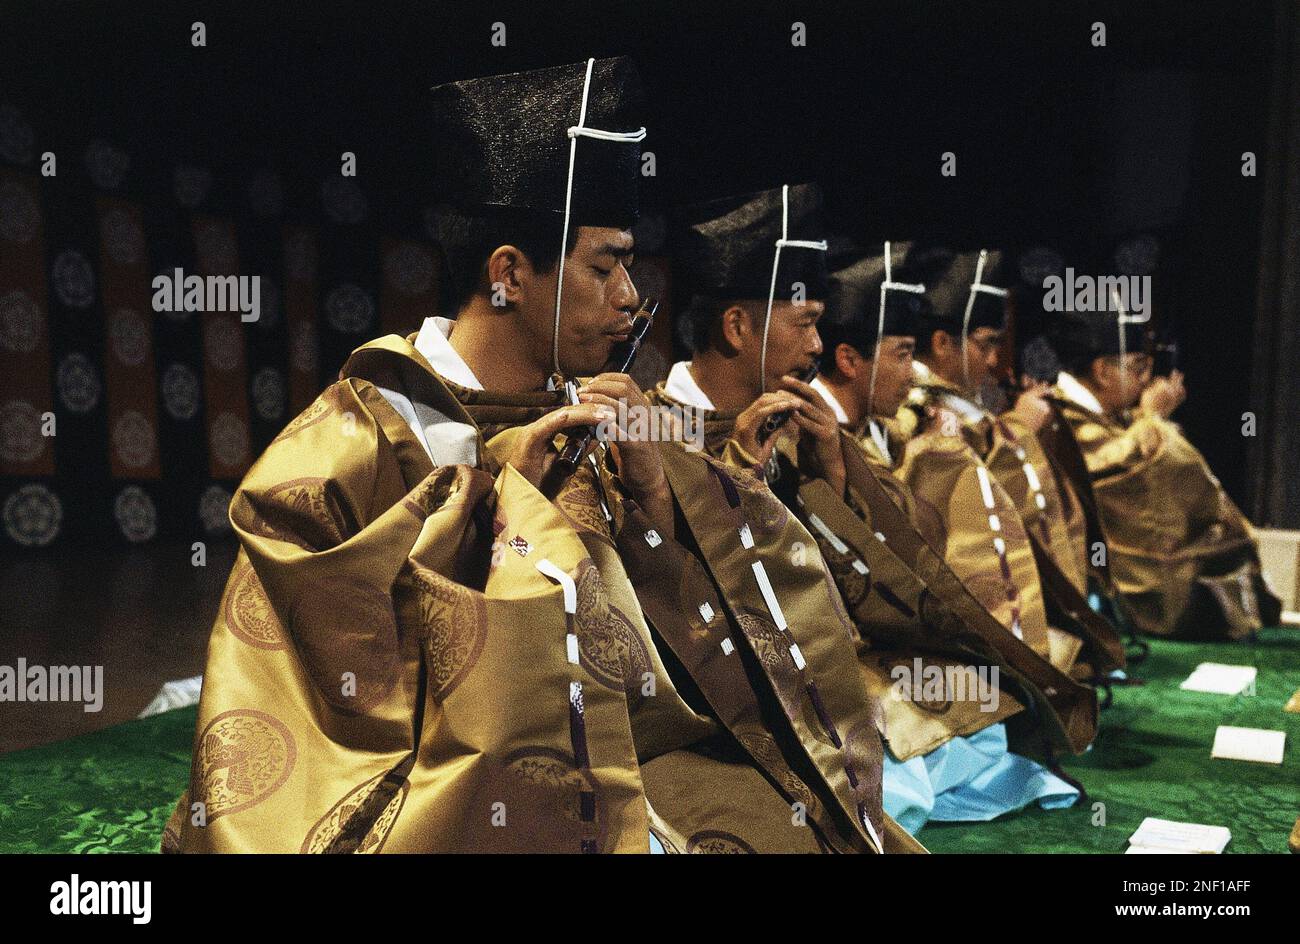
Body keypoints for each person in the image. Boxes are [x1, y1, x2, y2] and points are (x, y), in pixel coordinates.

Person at [160, 57, 911, 854]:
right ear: (510, 275)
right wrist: (495, 505)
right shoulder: (359, 432)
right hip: (443, 785)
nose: (628, 295)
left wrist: (661, 501)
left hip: (630, 760)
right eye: (602, 266)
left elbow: (705, 633)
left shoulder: (602, 412)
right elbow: (322, 666)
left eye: (628, 266)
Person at [648, 193, 1091, 832]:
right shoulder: (652, 429)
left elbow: (898, 557)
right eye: (804, 324)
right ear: (739, 328)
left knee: (981, 718)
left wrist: (837, 468)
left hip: (836, 656)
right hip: (732, 689)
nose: (820, 345)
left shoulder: (798, 422)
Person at [894, 246, 1125, 682]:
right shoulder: (917, 411)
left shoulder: (959, 404)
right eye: (986, 345)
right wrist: (1018, 425)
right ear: (943, 343)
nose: (995, 361)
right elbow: (956, 497)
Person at [1048, 306, 1280, 639]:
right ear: (1102, 371)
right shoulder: (1060, 420)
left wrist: (1150, 422)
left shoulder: (1116, 417)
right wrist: (1152, 421)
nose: (1147, 379)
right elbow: (1123, 471)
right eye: (1138, 367)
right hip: (1108, 591)